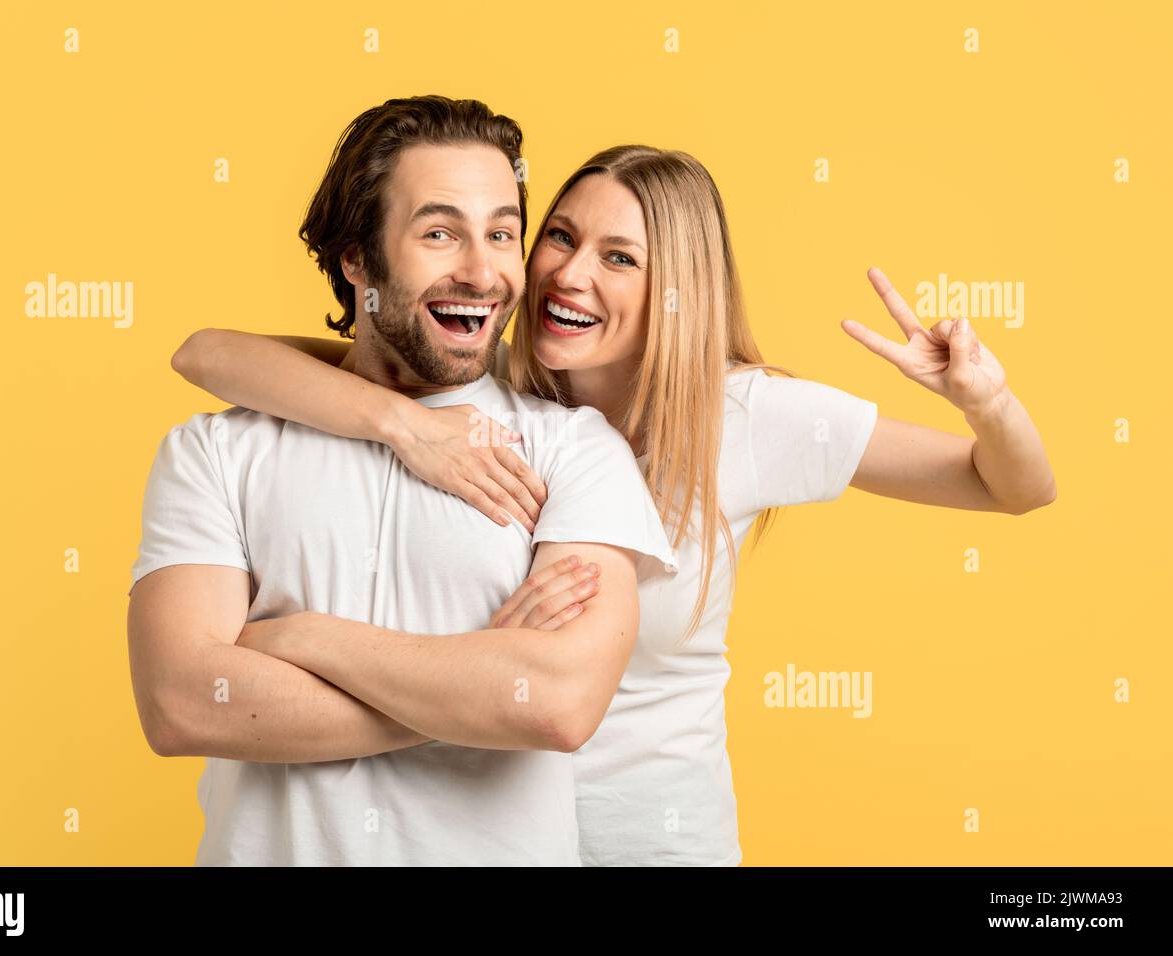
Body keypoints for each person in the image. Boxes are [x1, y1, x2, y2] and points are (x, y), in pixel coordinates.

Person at [173, 139, 1057, 868]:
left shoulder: (747, 415)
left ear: (680, 288)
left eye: (619, 257)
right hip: (492, 826)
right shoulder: (499, 385)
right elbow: (211, 353)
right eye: (558, 237)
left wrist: (986, 401)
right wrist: (405, 428)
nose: (567, 274)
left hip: (652, 837)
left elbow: (1011, 486)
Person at [126, 96, 679, 866]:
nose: (483, 272)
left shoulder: (575, 451)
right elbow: (183, 704)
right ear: (357, 257)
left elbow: (557, 705)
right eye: (440, 232)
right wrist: (481, 684)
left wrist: (301, 640)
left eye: (502, 234)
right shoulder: (216, 451)